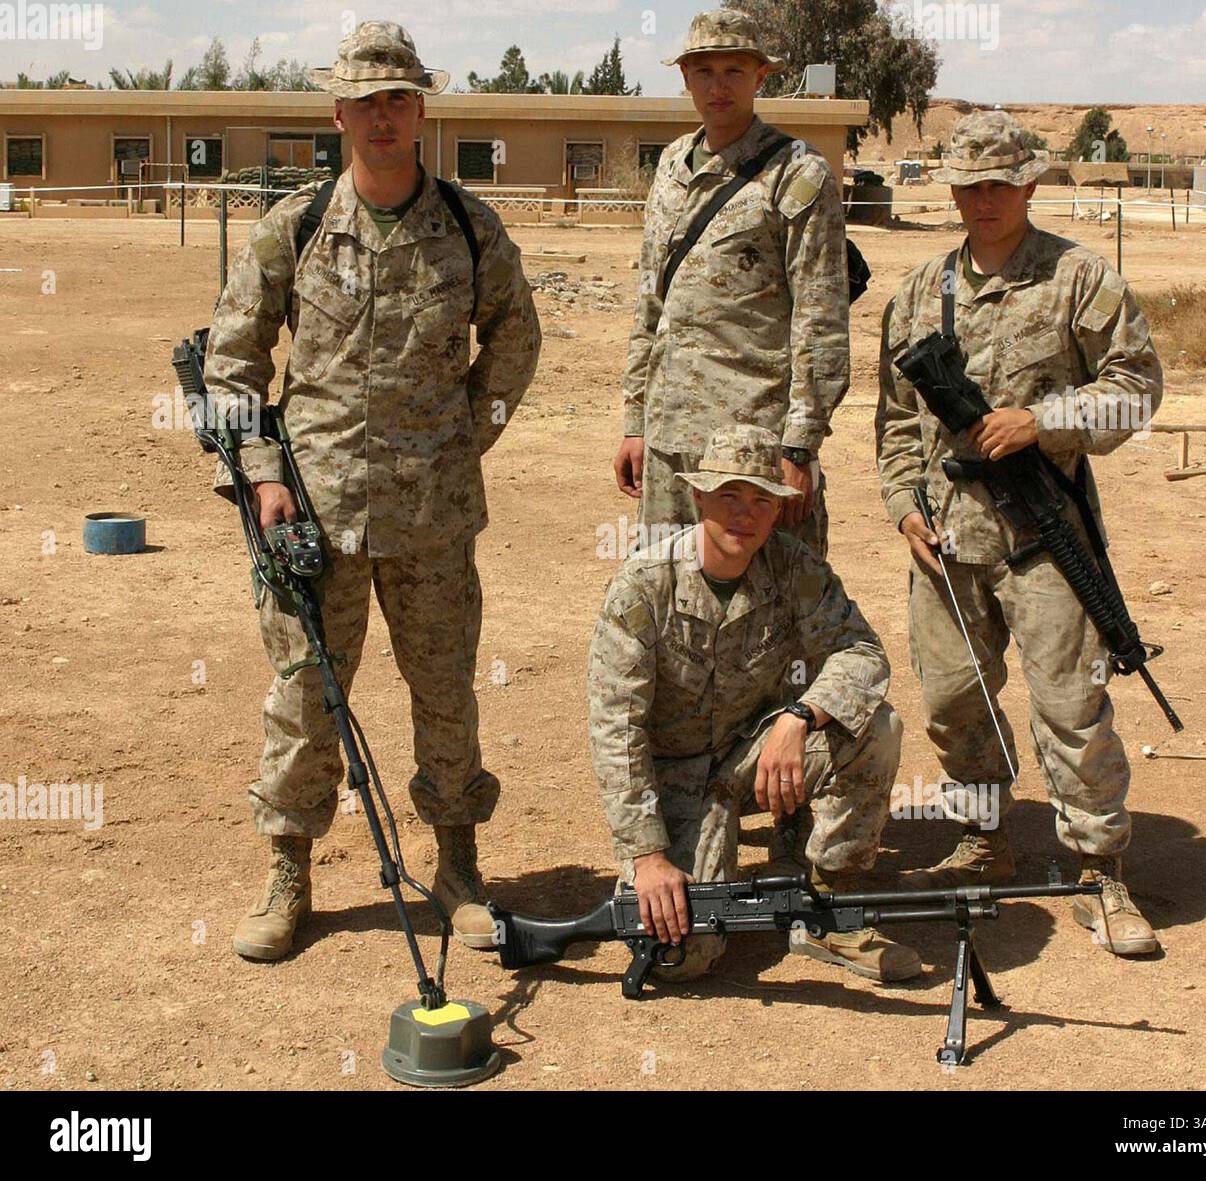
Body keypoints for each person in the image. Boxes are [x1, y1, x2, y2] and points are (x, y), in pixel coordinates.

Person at [203, 22, 541, 961]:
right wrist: (264, 478)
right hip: (312, 516)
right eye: (366, 100)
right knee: (305, 692)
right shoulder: (297, 227)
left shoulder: (470, 228)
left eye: (399, 99)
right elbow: (231, 362)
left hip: (433, 518)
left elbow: (514, 341)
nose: (382, 117)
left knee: (444, 692)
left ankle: (460, 867)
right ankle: (288, 873)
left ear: (421, 109)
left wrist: (467, 437)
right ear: (339, 111)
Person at [875, 110, 1163, 955]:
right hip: (945, 540)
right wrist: (902, 504)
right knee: (954, 702)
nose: (983, 199)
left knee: (1072, 705)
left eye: (999, 182)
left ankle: (1098, 870)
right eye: (968, 185)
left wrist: (1043, 421)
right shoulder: (921, 290)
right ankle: (984, 835)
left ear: (1030, 185)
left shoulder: (1078, 278)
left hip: (1043, 538)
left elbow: (1138, 388)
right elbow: (895, 420)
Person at [589, 425, 918, 983]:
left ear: (777, 509)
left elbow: (861, 652)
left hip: (754, 757)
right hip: (676, 778)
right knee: (681, 959)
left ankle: (828, 905)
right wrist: (648, 857)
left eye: (760, 500)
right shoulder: (642, 587)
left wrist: (800, 717)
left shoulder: (795, 569)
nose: (745, 514)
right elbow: (616, 731)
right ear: (698, 499)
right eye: (729, 497)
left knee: (877, 728)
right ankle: (721, 854)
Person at [614, 8, 850, 560]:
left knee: (770, 605)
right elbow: (651, 303)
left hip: (755, 447)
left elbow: (821, 316)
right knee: (666, 592)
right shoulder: (671, 164)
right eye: (704, 71)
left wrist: (800, 443)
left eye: (734, 71)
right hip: (669, 439)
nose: (717, 86)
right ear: (685, 78)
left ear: (761, 77)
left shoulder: (798, 173)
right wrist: (634, 420)